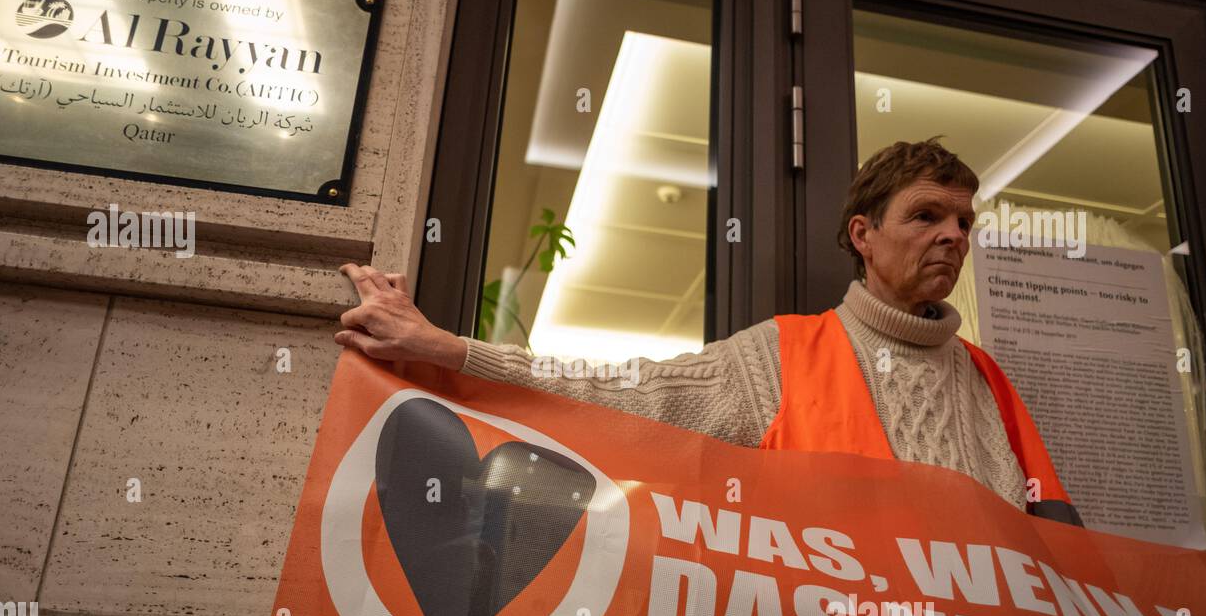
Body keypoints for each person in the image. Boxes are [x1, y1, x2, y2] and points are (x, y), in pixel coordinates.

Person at [334, 137, 1082, 526]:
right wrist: (443, 350)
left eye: (963, 222)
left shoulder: (988, 379)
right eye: (926, 216)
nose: (952, 235)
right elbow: (617, 393)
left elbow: (1058, 553)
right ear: (864, 234)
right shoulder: (784, 355)